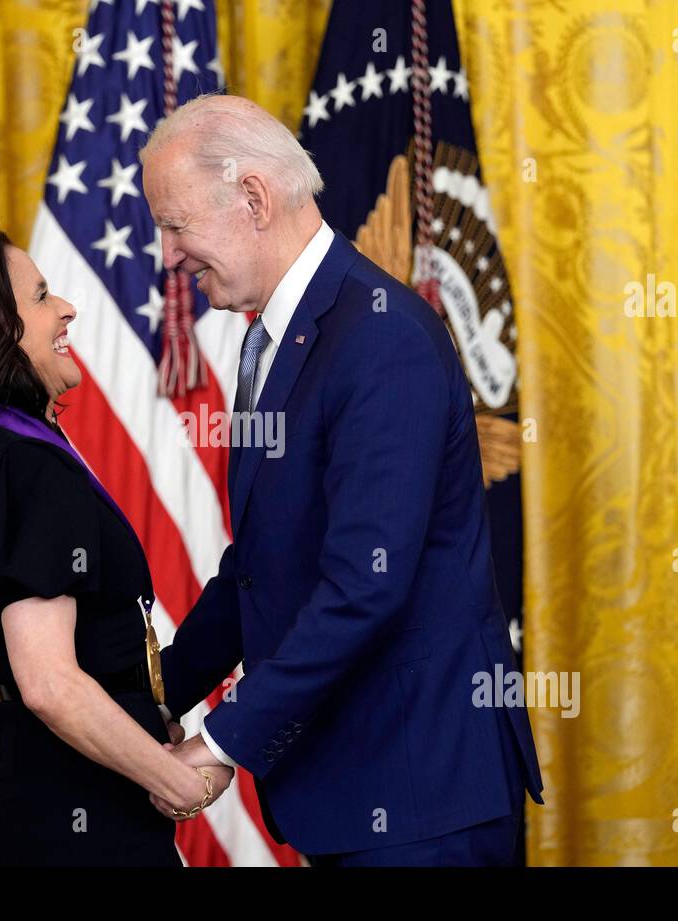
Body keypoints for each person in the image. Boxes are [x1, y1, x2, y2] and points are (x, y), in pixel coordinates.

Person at [139, 94, 545, 866]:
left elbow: (366, 584)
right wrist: (154, 701)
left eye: (175, 225)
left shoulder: (379, 335)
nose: (169, 256)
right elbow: (261, 569)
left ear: (253, 197)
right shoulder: (283, 336)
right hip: (359, 794)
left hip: (421, 797)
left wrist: (221, 741)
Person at [0, 227, 232, 865]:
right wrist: (174, 776)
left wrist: (247, 590)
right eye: (41, 297)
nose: (67, 307)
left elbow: (101, 660)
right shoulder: (20, 465)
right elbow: (47, 682)